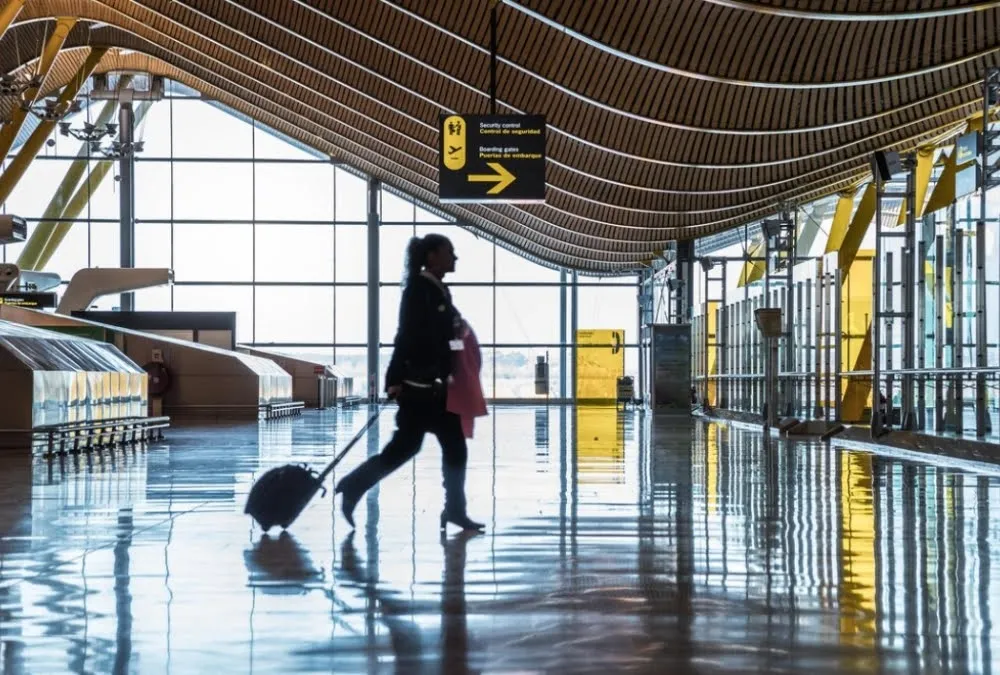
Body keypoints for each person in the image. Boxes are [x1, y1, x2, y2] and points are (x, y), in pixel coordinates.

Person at [334, 234, 485, 532]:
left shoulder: (438, 290)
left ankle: (454, 510)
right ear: (431, 256)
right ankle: (353, 485)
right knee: (405, 449)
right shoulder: (419, 289)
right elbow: (406, 335)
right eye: (449, 252)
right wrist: (394, 379)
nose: (455, 258)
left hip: (437, 389)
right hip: (419, 389)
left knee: (452, 448)